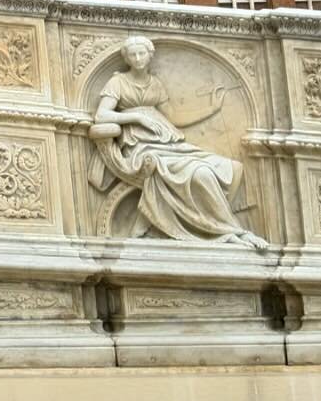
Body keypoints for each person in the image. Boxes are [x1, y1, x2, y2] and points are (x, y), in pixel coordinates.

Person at [89, 34, 265, 247]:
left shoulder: (155, 84)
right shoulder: (118, 82)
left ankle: (219, 228)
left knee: (224, 167)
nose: (137, 59)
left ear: (149, 55)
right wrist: (136, 116)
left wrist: (212, 108)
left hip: (169, 144)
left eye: (141, 53)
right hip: (140, 148)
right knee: (199, 173)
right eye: (133, 55)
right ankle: (231, 231)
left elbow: (175, 118)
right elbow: (101, 115)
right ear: (127, 58)